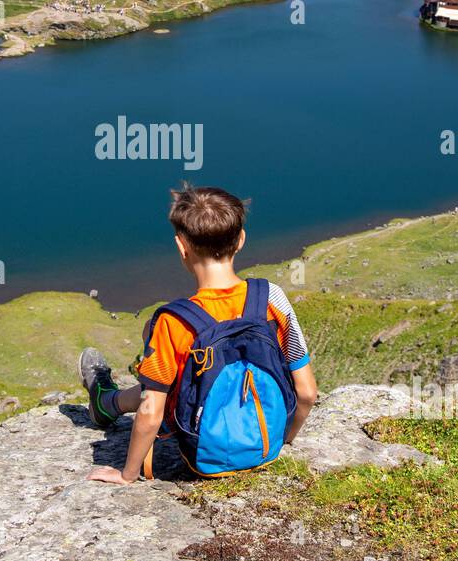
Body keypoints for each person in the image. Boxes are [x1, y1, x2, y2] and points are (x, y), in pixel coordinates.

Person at [81, 185, 317, 484]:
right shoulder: (273, 297)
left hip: (202, 456)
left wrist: (127, 474)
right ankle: (106, 402)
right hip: (265, 447)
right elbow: (307, 393)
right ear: (241, 240)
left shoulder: (172, 321)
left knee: (158, 381)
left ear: (182, 247)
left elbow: (152, 408)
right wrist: (281, 441)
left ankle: (106, 402)